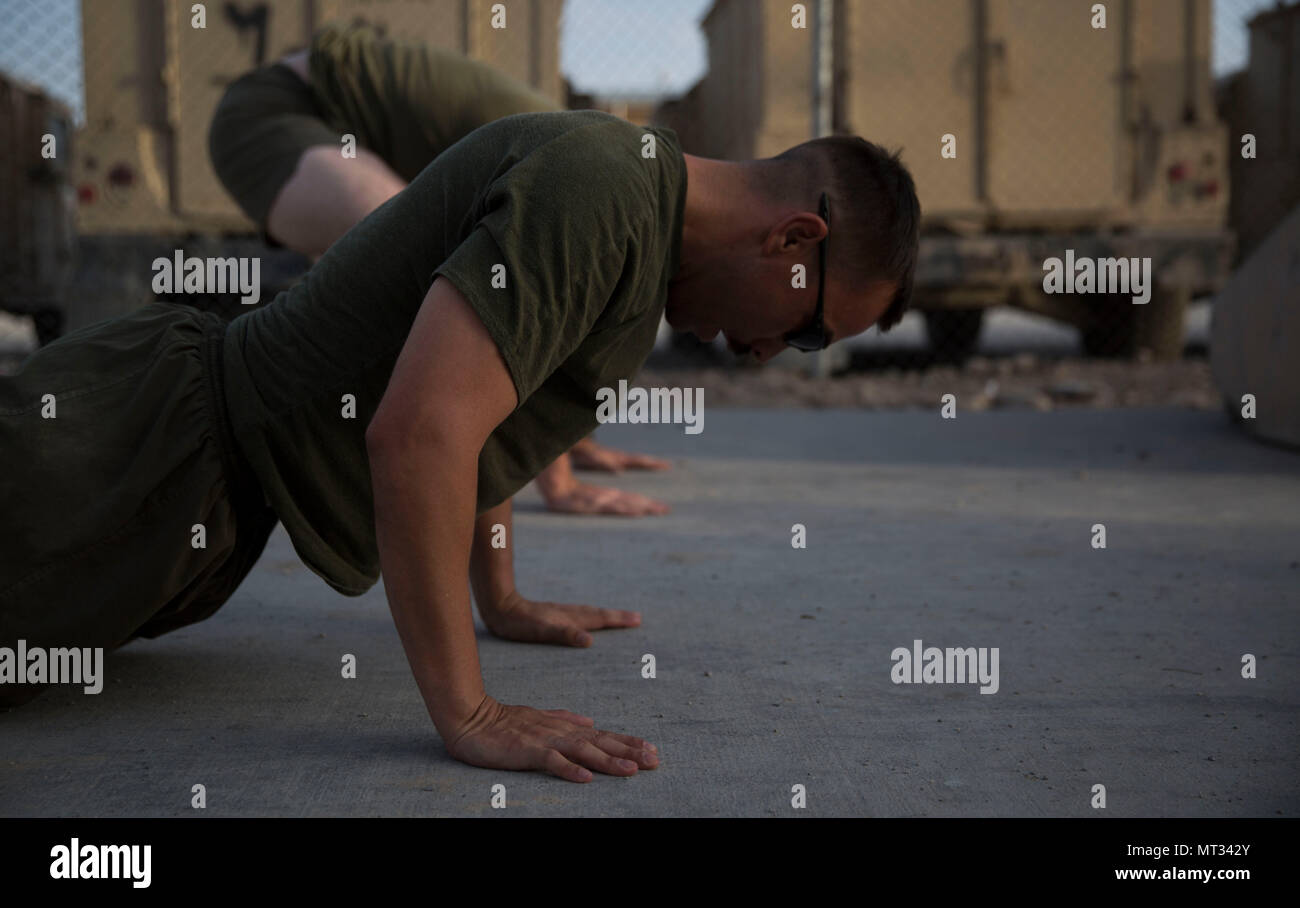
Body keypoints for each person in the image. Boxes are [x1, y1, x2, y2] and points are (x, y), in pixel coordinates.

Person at [0, 106, 920, 783]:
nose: (771, 354)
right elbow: (417, 436)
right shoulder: (603, 190)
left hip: (191, 495)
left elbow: (478, 426)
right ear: (794, 239)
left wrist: (502, 596)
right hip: (127, 453)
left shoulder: (639, 248)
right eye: (806, 329)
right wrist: (470, 711)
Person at [209, 21, 670, 517]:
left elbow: (573, 329)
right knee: (426, 269)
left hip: (342, 117)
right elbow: (522, 312)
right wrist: (557, 480)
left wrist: (569, 436)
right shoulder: (580, 176)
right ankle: (221, 442)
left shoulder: (607, 175)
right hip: (276, 111)